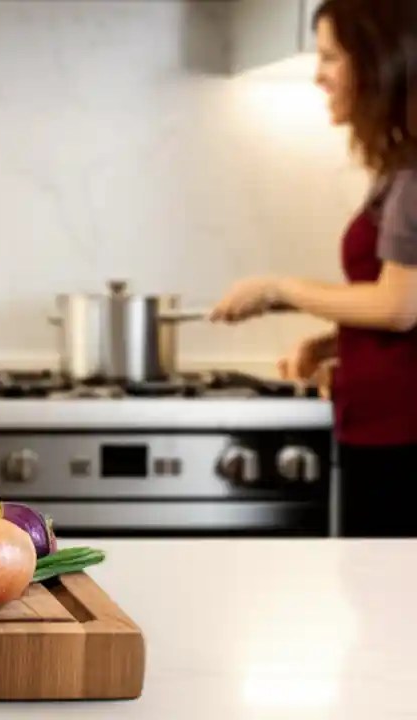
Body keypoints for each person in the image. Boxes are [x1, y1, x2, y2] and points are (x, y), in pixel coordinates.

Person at [210, 0, 417, 537]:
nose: (318, 75)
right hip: (385, 432)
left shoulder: (413, 172)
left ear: (378, 61)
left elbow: (400, 304)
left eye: (330, 57)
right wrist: (334, 344)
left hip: (402, 440)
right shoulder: (401, 168)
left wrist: (279, 289)